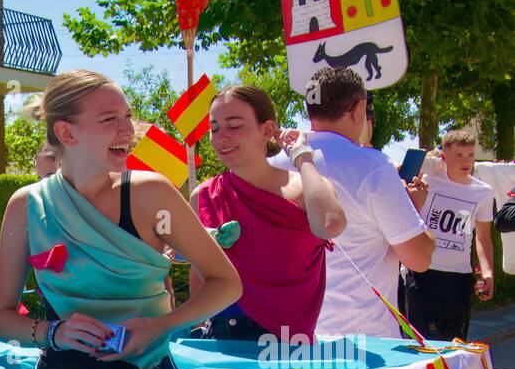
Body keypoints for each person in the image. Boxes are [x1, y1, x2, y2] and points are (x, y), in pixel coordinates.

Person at [0, 70, 241, 369]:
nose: (129, 130)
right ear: (67, 134)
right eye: (110, 120)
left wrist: (161, 325)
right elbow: (0, 319)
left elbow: (226, 283)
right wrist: (53, 332)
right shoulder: (26, 205)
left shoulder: (153, 194)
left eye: (128, 116)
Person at [271, 66, 432, 340]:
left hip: (291, 335)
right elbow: (418, 258)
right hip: (365, 339)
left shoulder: (272, 165)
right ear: (358, 108)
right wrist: (415, 208)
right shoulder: (372, 166)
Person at [192, 85, 346, 343]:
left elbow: (330, 225)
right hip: (222, 341)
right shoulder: (204, 195)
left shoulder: (302, 188)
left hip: (289, 343)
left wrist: (303, 158)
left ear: (267, 130)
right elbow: (199, 278)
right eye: (215, 128)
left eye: (234, 125)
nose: (221, 137)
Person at [402, 129, 495, 341]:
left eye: (471, 155)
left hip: (458, 277)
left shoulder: (484, 192)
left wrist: (488, 272)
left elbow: (483, 237)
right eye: (459, 155)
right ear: (444, 156)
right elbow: (398, 178)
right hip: (422, 272)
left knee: (454, 348)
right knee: (420, 347)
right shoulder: (427, 181)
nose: (466, 161)